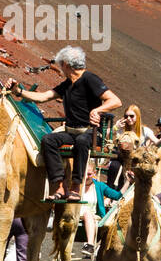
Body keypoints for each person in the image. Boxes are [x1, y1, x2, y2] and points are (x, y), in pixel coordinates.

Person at [8, 46, 121, 201]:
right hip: (71, 132)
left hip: (91, 133)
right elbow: (43, 97)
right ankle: (61, 186)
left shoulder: (89, 79)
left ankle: (76, 186)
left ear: (66, 65)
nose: (60, 68)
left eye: (61, 64)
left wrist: (98, 110)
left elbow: (115, 101)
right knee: (49, 140)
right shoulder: (67, 84)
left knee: (82, 142)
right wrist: (19, 91)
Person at [79, 162, 123, 258]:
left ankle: (96, 246)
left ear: (94, 173)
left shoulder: (99, 186)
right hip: (78, 213)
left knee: (90, 215)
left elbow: (117, 196)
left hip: (93, 215)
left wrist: (128, 182)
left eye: (89, 174)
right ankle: (90, 244)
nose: (86, 176)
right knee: (87, 214)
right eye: (84, 173)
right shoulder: (77, 185)